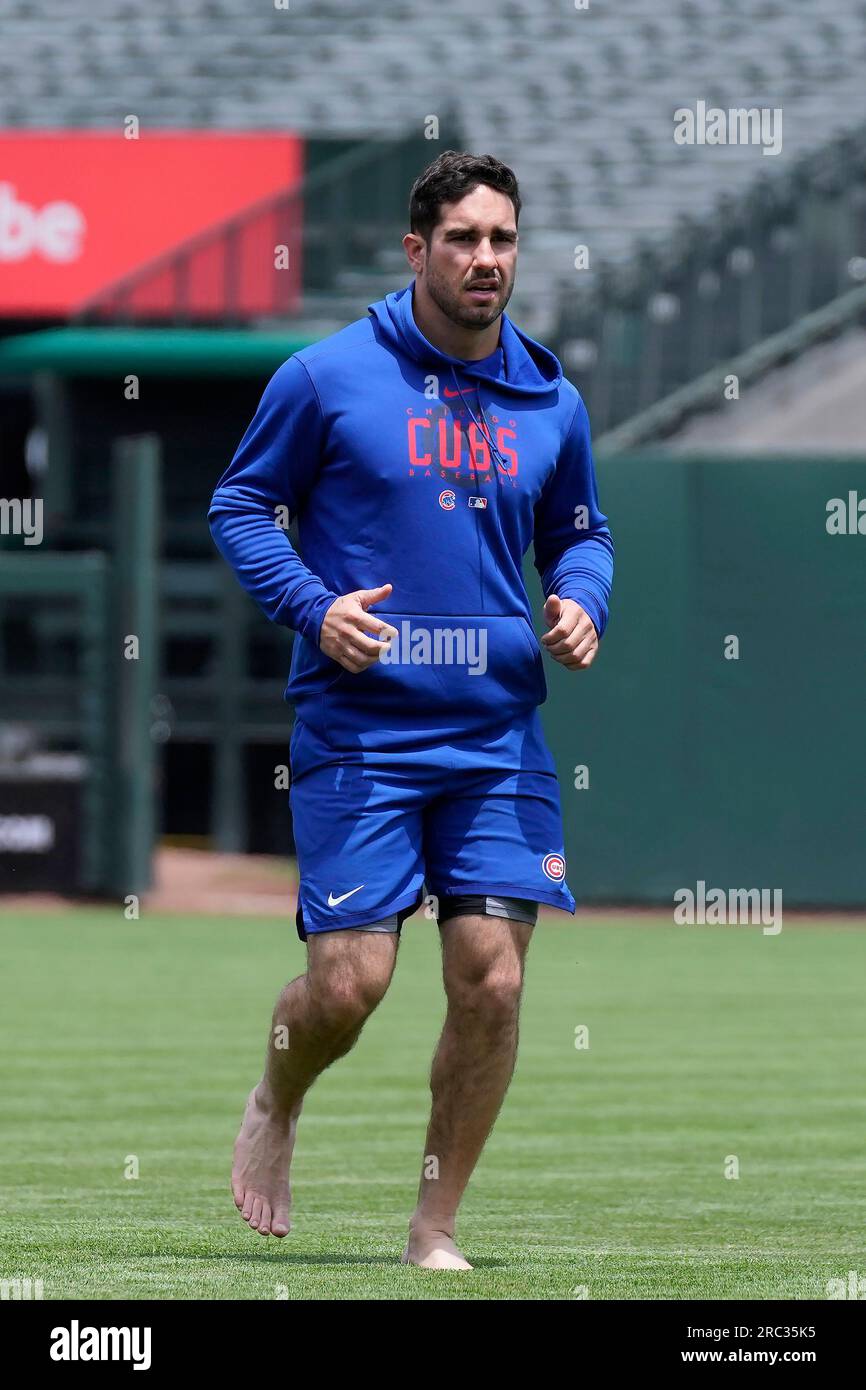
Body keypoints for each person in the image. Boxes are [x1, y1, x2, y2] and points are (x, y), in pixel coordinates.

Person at [208, 150, 614, 1270]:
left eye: (502, 239)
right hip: (361, 734)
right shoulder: (327, 376)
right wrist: (311, 604)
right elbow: (242, 505)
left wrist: (580, 597)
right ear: (415, 250)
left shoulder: (550, 394)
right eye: (462, 239)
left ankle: (432, 1225)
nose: (485, 259)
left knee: (490, 975)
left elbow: (579, 531)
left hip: (494, 737)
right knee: (349, 988)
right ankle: (277, 1095)